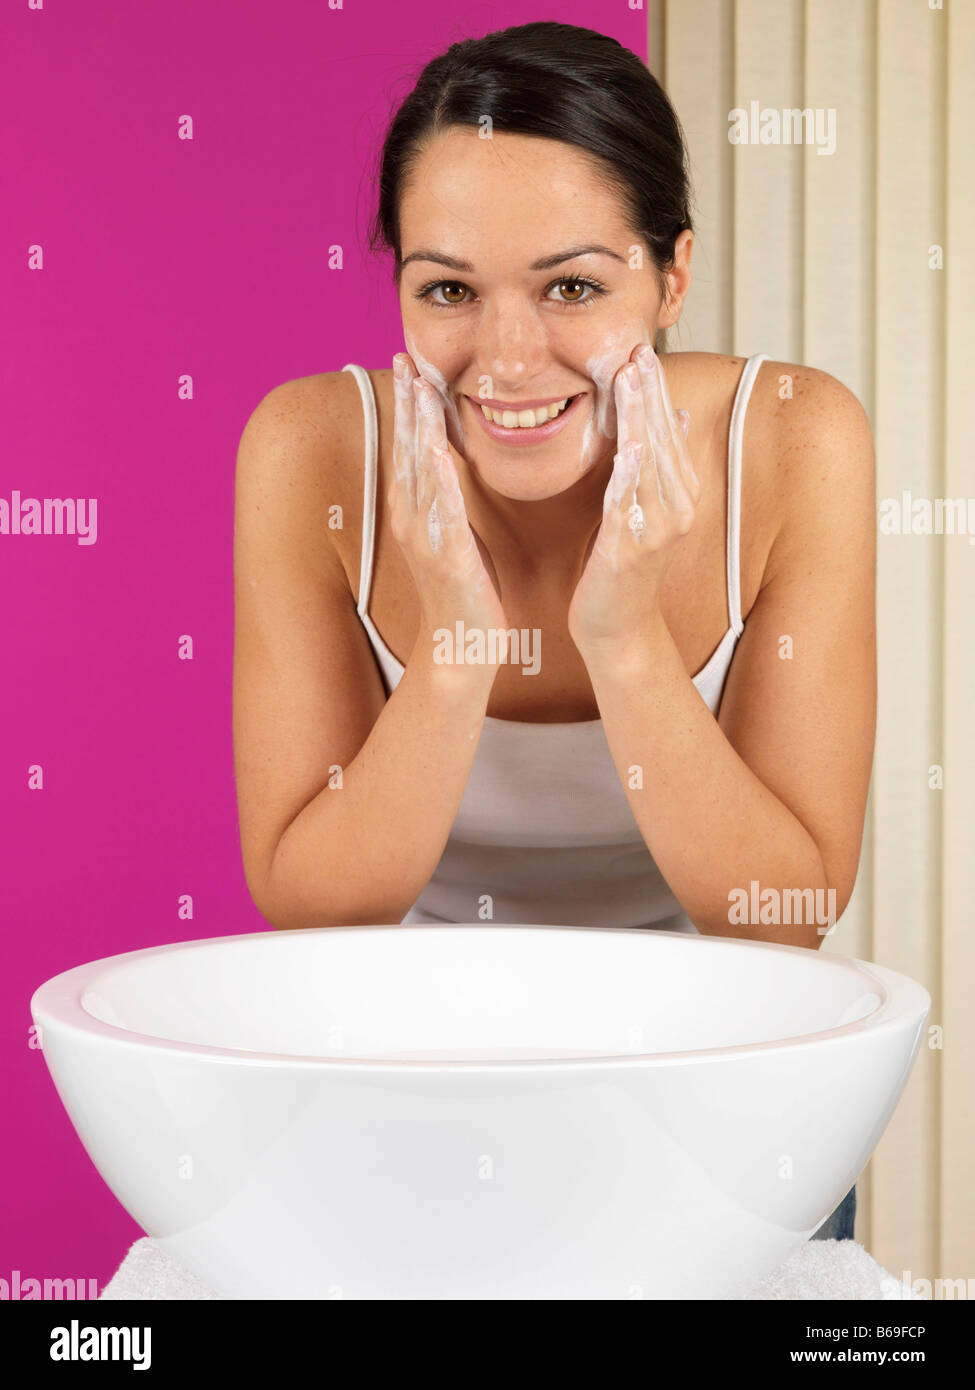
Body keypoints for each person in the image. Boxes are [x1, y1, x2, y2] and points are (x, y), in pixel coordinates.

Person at [233, 22, 874, 1242]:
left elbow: (785, 909)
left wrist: (626, 639)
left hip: (721, 1085)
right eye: (449, 290)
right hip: (416, 1076)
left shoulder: (794, 444)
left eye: (574, 286)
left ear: (672, 276)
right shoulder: (308, 452)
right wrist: (459, 639)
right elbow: (313, 906)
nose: (508, 360)